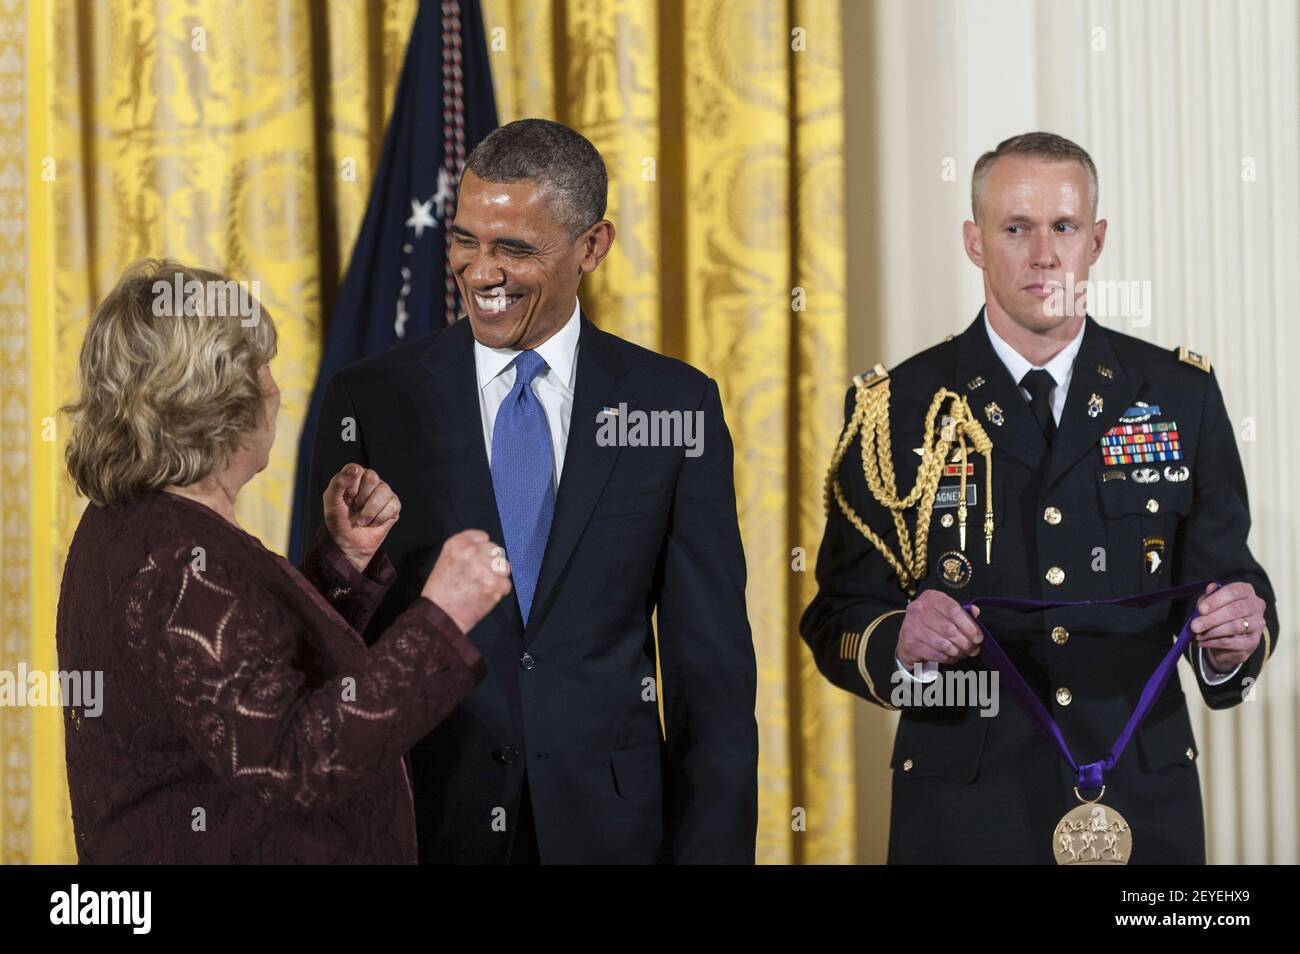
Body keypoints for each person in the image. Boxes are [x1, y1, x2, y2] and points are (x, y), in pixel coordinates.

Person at [801, 132, 1278, 864]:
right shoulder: (896, 407)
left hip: (1140, 802)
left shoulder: (1177, 394)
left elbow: (1227, 581)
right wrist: (898, 639)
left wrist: (1235, 635)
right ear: (974, 241)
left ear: (1097, 239)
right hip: (964, 813)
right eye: (1016, 227)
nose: (1044, 253)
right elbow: (836, 617)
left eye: (1065, 226)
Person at [305, 118, 758, 864]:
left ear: (593, 246)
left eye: (514, 248)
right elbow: (329, 645)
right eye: (465, 241)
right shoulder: (371, 400)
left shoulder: (672, 406)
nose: (481, 273)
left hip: (610, 837)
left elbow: (710, 674)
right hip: (426, 829)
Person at [57, 260, 510, 863]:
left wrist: (341, 565)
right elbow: (292, 763)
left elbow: (237, 682)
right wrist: (441, 617)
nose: (275, 387)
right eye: (261, 366)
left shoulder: (142, 527)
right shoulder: (175, 557)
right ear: (219, 398)